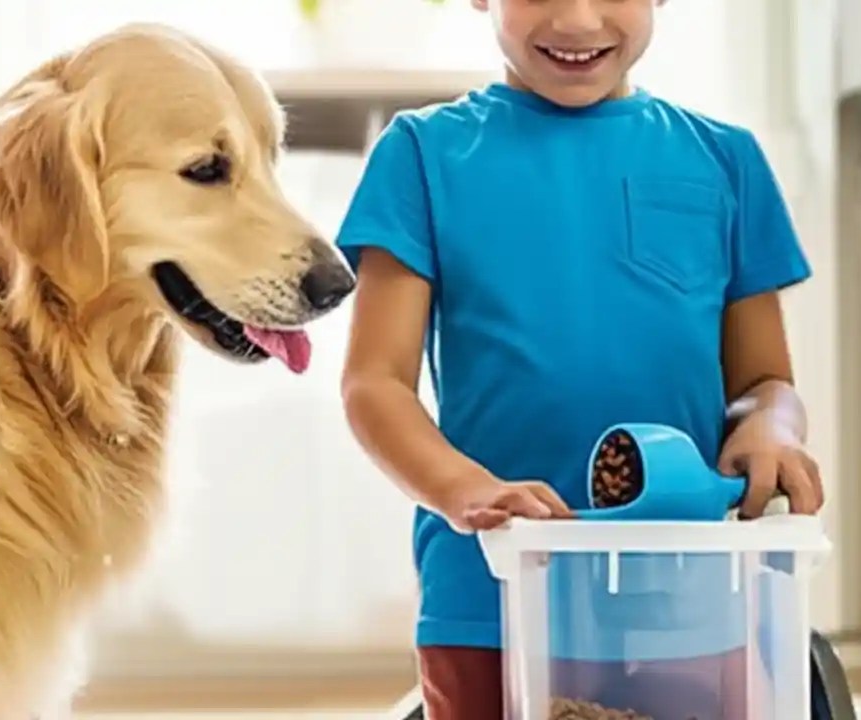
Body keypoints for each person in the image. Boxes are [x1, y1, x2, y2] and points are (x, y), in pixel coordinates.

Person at [335, 1, 825, 718]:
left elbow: (764, 381)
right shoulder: (422, 154)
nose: (576, 18)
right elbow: (374, 383)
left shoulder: (725, 159)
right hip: (489, 589)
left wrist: (768, 429)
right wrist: (462, 487)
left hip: (685, 591)